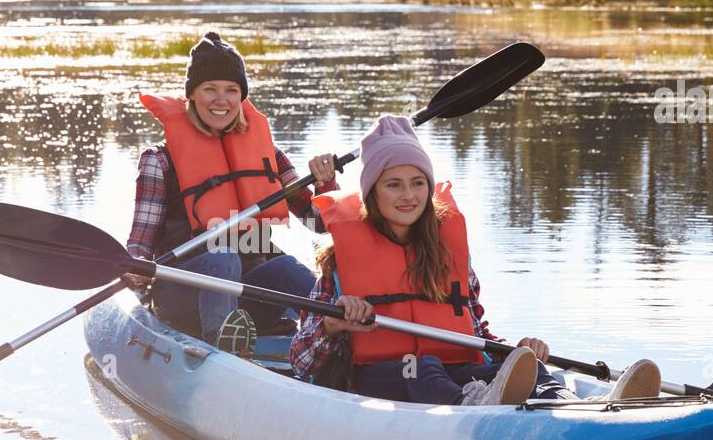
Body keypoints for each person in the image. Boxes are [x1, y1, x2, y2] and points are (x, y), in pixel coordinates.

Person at [290, 115, 662, 406]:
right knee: (422, 367)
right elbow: (301, 360)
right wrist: (333, 326)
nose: (408, 195)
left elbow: (477, 333)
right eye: (393, 184)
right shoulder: (341, 261)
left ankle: (579, 406)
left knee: (518, 363)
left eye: (418, 183)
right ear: (372, 194)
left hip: (458, 370)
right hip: (382, 377)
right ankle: (479, 407)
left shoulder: (448, 253)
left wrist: (518, 352)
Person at [123, 31, 340, 353]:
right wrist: (134, 267)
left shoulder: (268, 155)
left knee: (285, 266)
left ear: (242, 97)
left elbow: (317, 223)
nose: (221, 100)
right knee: (222, 259)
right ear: (192, 96)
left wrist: (325, 185)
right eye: (209, 89)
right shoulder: (160, 160)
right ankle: (221, 349)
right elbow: (140, 242)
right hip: (185, 293)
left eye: (231, 90)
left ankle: (341, 338)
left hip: (251, 297)